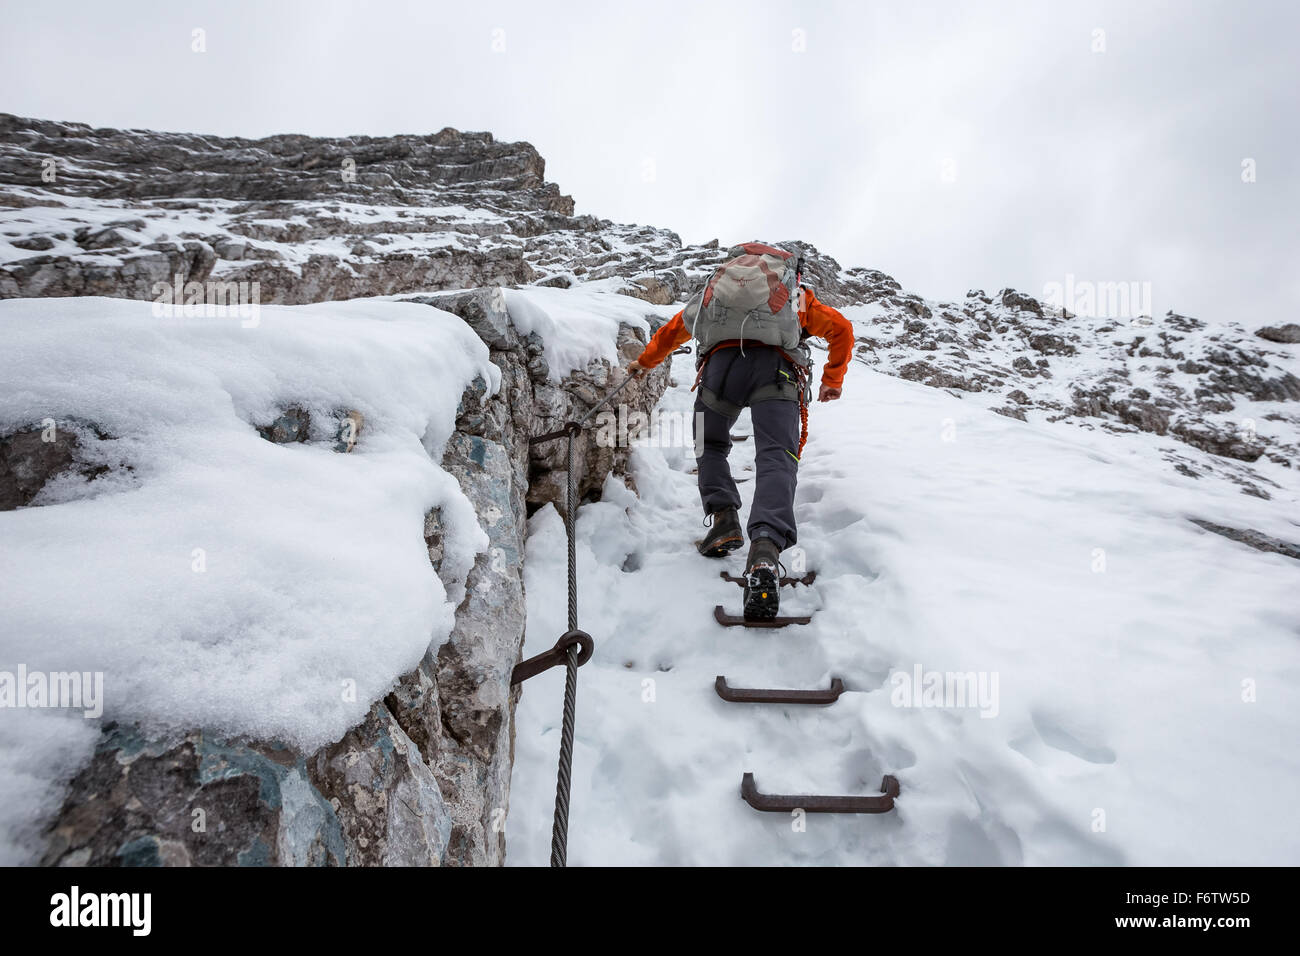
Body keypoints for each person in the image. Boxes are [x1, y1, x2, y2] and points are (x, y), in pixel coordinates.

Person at [627, 242, 854, 618]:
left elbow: (673, 331)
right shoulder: (794, 295)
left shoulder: (714, 294)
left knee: (710, 443)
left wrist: (643, 362)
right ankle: (765, 547)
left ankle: (723, 519)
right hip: (776, 372)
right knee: (776, 456)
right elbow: (841, 330)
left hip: (720, 371)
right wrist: (832, 379)